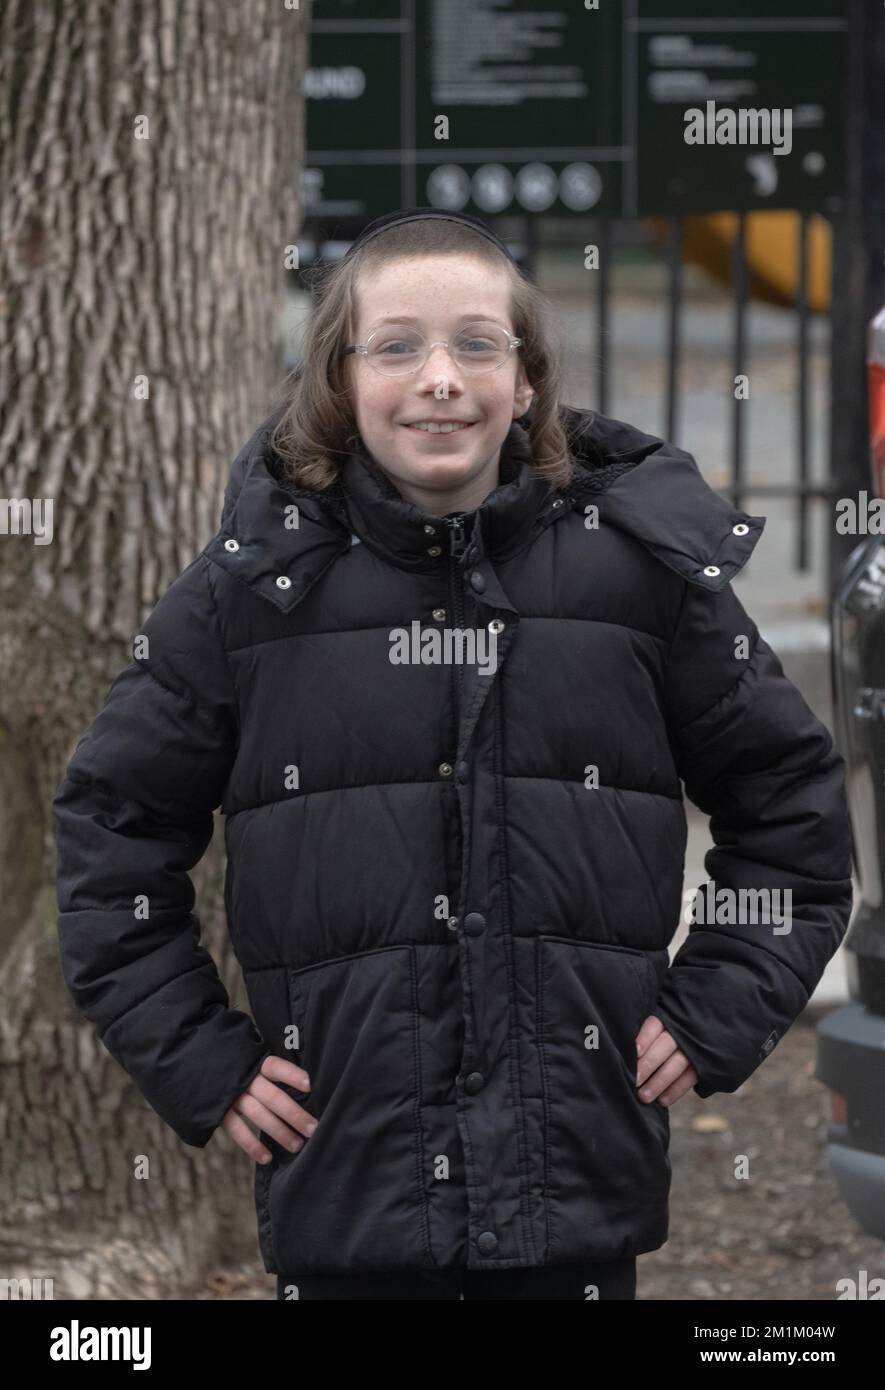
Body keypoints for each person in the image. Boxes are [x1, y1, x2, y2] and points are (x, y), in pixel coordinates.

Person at [53, 207, 855, 1302]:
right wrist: (206, 1064)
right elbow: (112, 831)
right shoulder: (251, 597)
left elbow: (790, 807)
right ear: (341, 378)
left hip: (575, 1190)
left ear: (526, 379)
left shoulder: (641, 578)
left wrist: (718, 1004)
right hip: (348, 1194)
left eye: (478, 343)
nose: (441, 378)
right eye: (397, 346)